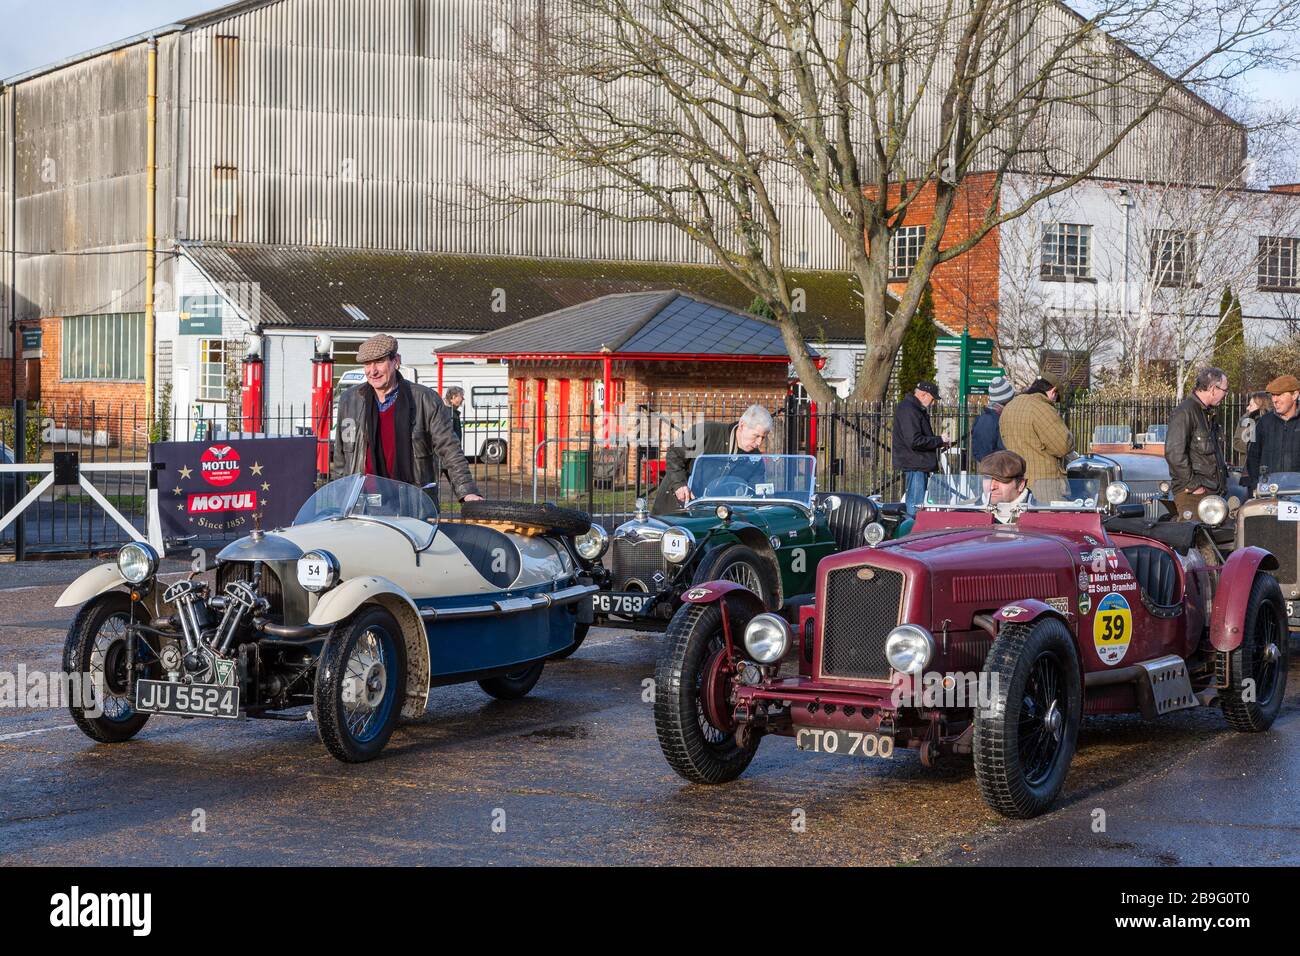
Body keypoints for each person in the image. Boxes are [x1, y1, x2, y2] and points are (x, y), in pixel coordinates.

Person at [334, 333, 483, 508]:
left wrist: (467, 491)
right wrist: (340, 500)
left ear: (395, 361)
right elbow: (341, 457)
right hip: (361, 506)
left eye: (379, 362)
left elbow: (449, 448)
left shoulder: (425, 399)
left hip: (412, 504)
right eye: (367, 364)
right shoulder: (349, 401)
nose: (372, 371)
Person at [651, 405, 773, 515]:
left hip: (713, 514)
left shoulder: (754, 459)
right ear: (742, 425)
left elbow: (756, 491)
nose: (759, 442)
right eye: (756, 436)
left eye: (763, 437)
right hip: (675, 505)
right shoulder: (705, 432)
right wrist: (679, 484)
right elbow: (674, 453)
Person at [999, 369, 1075, 501]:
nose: (1054, 402)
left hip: (1015, 484)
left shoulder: (1010, 407)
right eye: (1056, 398)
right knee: (1048, 520)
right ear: (1053, 391)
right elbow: (1063, 446)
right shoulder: (1042, 408)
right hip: (1044, 486)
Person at [1165, 366, 1229, 520]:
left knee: (1214, 541)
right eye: (1225, 390)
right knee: (1198, 541)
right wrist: (1194, 486)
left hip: (1210, 492)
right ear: (1213, 389)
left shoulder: (1206, 413)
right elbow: (1174, 453)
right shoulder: (1185, 412)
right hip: (1192, 496)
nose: (1226, 395)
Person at [892, 381, 948, 516]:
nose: (933, 403)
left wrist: (938, 442)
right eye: (933, 399)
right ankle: (913, 532)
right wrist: (939, 440)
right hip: (916, 463)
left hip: (917, 462)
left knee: (916, 502)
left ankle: (913, 529)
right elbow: (915, 441)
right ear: (924, 395)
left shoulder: (912, 408)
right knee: (916, 505)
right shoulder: (910, 410)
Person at [1246, 374, 1300, 492]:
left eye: (1280, 394)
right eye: (1273, 395)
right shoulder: (1264, 422)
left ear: (1295, 395)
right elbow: (1252, 457)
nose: (1275, 400)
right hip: (1268, 494)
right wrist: (1256, 485)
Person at [980, 449, 1036, 521]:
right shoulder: (965, 510)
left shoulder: (1043, 514)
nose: (992, 487)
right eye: (987, 478)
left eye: (1001, 480)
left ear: (1021, 485)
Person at [971, 375, 1015, 465]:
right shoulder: (992, 420)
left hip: (991, 469)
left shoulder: (984, 418)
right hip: (995, 471)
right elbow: (986, 453)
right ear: (1006, 401)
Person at [1234, 390, 1271, 461]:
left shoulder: (1273, 420)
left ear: (1260, 405)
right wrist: (1254, 445)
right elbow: (1237, 443)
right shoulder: (1246, 420)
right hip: (1248, 464)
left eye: (1251, 405)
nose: (1247, 408)